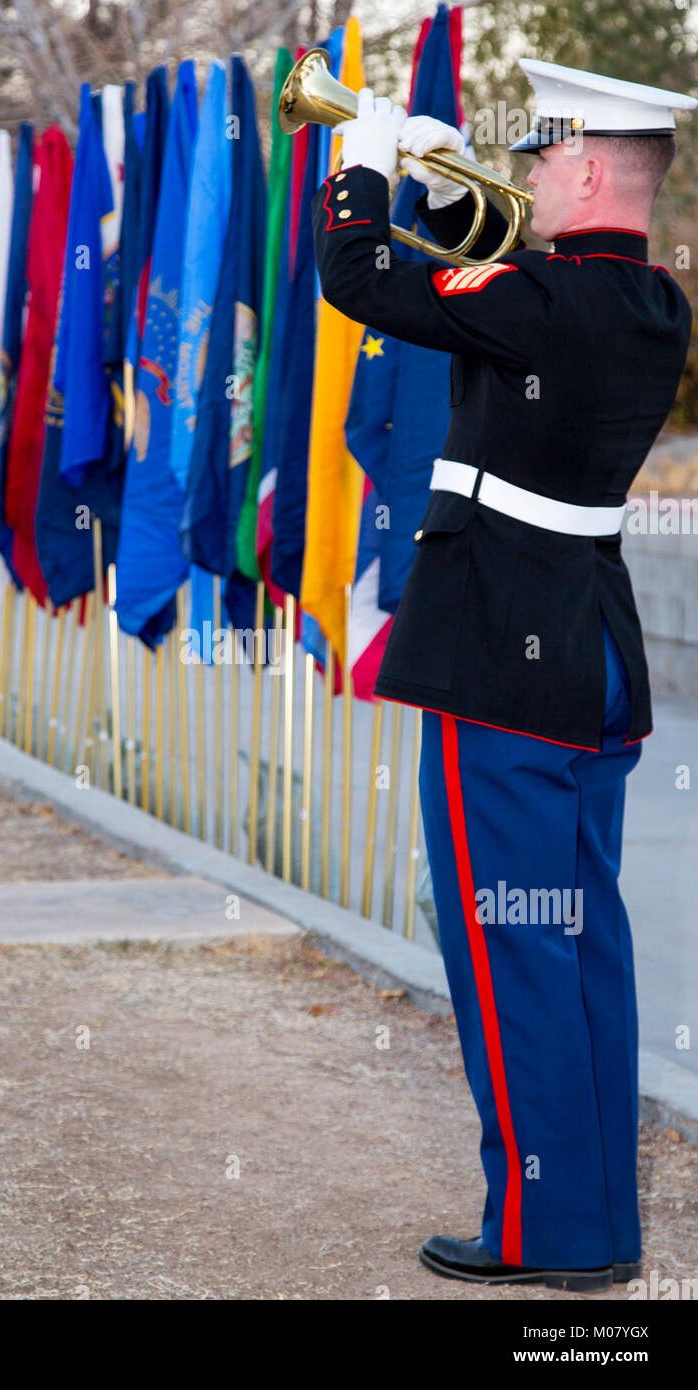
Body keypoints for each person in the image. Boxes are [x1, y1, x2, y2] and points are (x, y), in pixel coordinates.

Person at [312, 59, 695, 1292]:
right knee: (580, 942)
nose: (524, 177)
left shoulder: (538, 297)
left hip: (502, 664)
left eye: (539, 161)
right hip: (586, 654)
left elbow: (359, 277)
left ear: (583, 167)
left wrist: (362, 162)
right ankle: (593, 1225)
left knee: (509, 945)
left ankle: (543, 1231)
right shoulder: (647, 301)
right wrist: (441, 187)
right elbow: (467, 294)